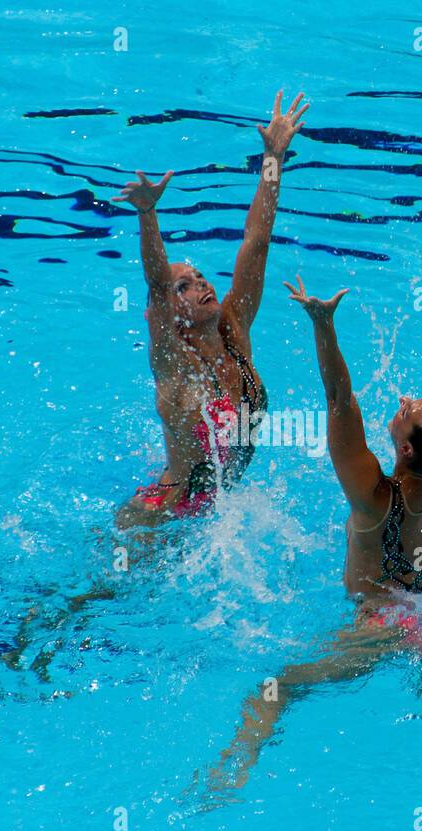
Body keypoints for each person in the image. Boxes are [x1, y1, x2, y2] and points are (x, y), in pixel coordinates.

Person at [209, 187, 422, 803]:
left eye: (409, 409)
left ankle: (233, 772)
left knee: (277, 686)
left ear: (405, 448)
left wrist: (323, 329)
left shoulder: (376, 499)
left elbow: (339, 404)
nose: (405, 399)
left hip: (384, 623)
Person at [112, 91, 310, 528]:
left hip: (222, 509)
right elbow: (156, 282)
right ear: (169, 309)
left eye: (200, 275)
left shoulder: (234, 330)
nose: (200, 282)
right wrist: (148, 214)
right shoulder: (173, 360)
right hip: (166, 512)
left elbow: (256, 243)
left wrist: (274, 156)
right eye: (184, 285)